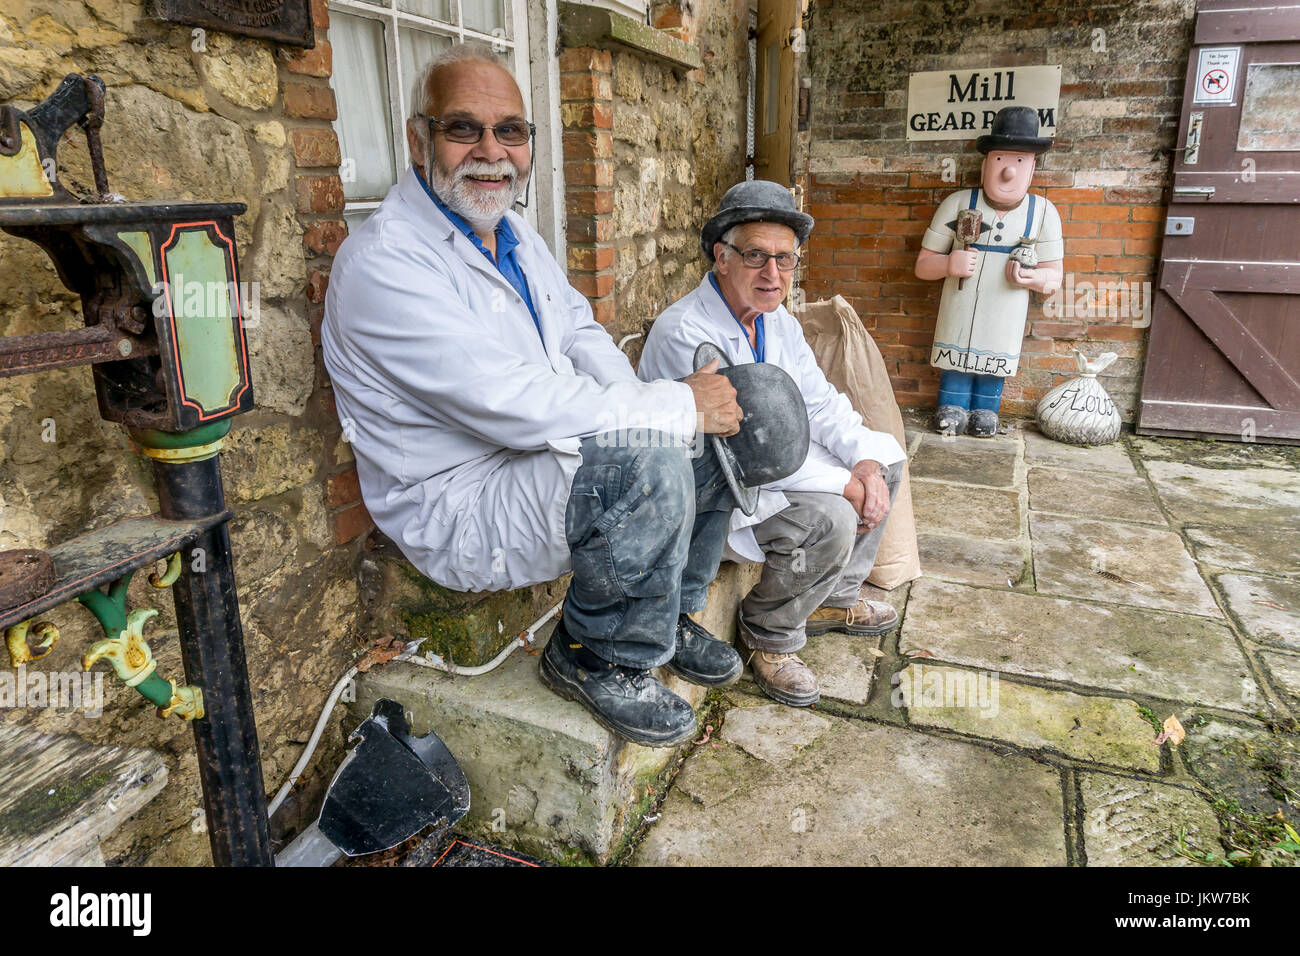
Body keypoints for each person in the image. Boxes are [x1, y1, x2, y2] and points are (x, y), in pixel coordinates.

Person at [321, 45, 748, 748]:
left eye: (511, 131)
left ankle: (663, 608)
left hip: (540, 460)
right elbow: (510, 403)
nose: (491, 152)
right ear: (418, 138)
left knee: (748, 408)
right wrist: (670, 410)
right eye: (465, 129)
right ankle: (594, 654)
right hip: (463, 498)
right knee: (650, 458)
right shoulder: (383, 264)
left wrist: (665, 411)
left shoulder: (510, 232)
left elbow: (579, 331)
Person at [638, 181, 907, 708]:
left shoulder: (776, 320)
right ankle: (770, 635)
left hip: (772, 462)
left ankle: (832, 598)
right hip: (718, 489)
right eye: (757, 256)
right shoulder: (688, 333)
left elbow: (819, 402)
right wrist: (842, 483)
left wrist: (864, 462)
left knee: (887, 461)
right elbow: (745, 452)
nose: (773, 274)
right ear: (721, 256)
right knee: (831, 518)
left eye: (786, 260)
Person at [914, 105, 1064, 437]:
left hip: (1005, 311)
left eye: (1019, 161)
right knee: (955, 358)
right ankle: (950, 405)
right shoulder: (958, 204)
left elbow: (1054, 278)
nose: (1008, 172)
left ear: (1032, 167)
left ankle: (986, 409)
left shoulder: (1042, 213)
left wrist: (1033, 277)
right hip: (960, 304)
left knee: (993, 360)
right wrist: (948, 263)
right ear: (985, 164)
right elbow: (923, 266)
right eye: (999, 160)